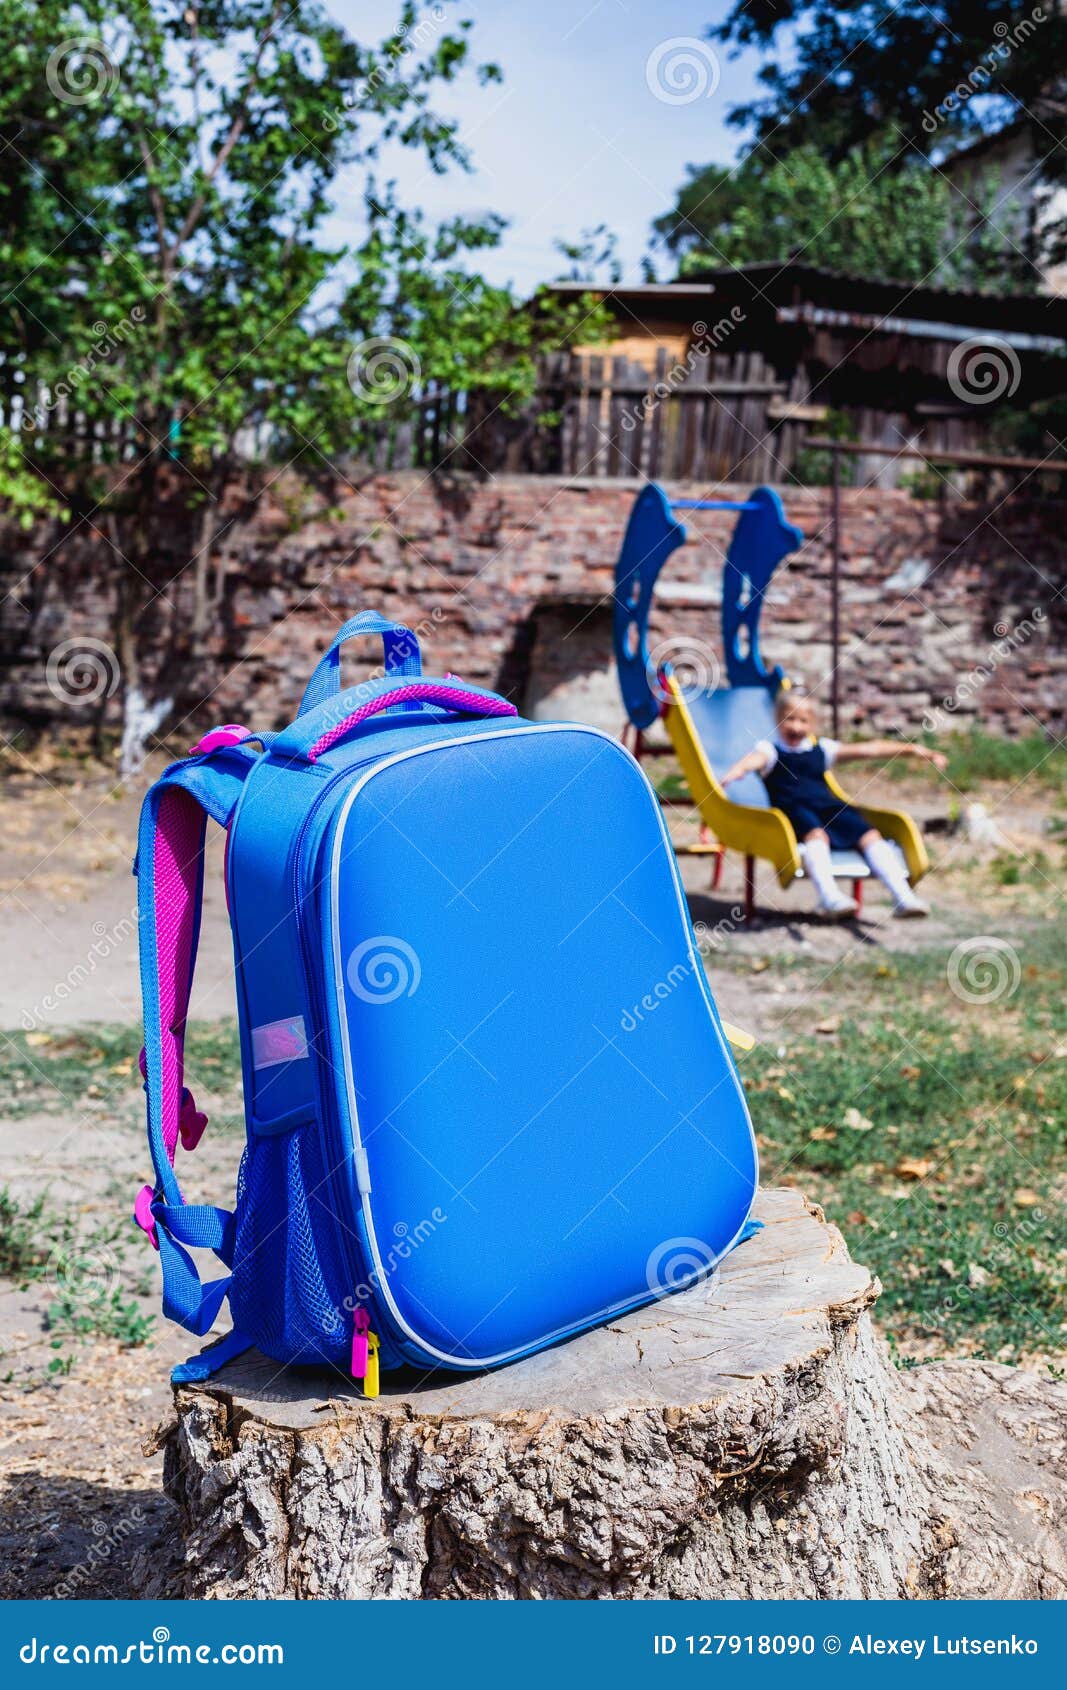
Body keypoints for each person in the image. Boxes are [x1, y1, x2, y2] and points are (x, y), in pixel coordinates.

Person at [720, 694, 947, 918]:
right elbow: (753, 760)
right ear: (778, 718)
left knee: (869, 835)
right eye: (789, 719)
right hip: (793, 810)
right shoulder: (770, 750)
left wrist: (916, 751)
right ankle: (829, 896)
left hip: (828, 807)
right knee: (817, 835)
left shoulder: (823, 749)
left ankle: (903, 896)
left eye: (803, 721)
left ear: (813, 724)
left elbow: (869, 750)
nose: (796, 727)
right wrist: (735, 773)